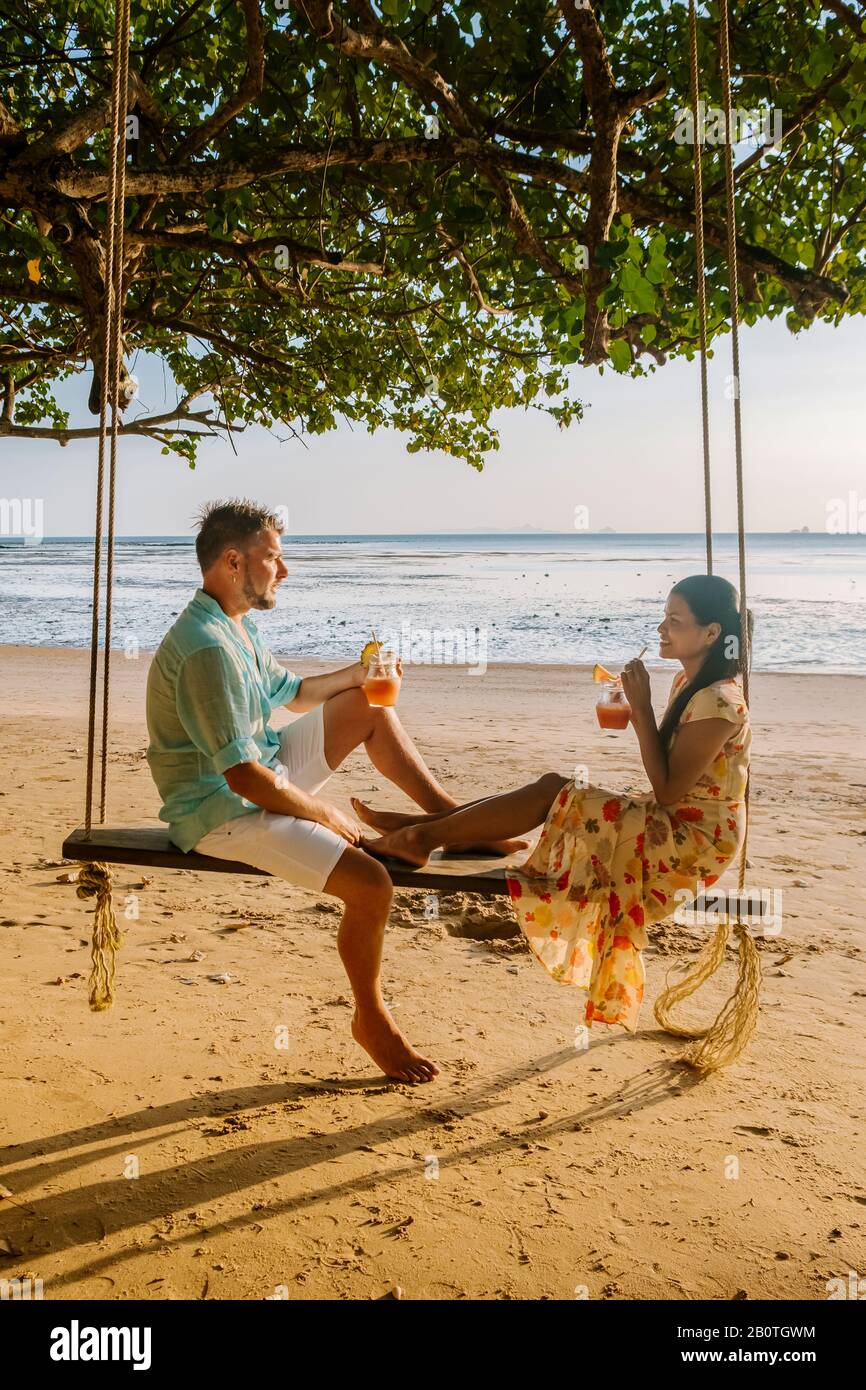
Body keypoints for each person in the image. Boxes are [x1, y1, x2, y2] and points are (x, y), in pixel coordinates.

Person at [146, 499, 522, 1084]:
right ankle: (370, 1017)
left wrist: (358, 675)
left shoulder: (233, 627)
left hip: (262, 775)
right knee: (371, 884)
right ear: (231, 561)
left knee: (367, 707)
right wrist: (322, 812)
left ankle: (457, 822)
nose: (285, 570)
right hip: (220, 812)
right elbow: (240, 776)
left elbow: (292, 694)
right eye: (273, 558)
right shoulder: (207, 649)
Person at [355, 575, 753, 1034]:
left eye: (675, 621)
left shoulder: (719, 701)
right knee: (554, 789)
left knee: (553, 791)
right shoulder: (690, 682)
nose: (661, 628)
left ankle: (421, 835)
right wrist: (639, 709)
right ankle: (431, 826)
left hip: (694, 843)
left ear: (710, 633)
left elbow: (667, 790)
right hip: (672, 820)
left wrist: (640, 708)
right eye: (663, 617)